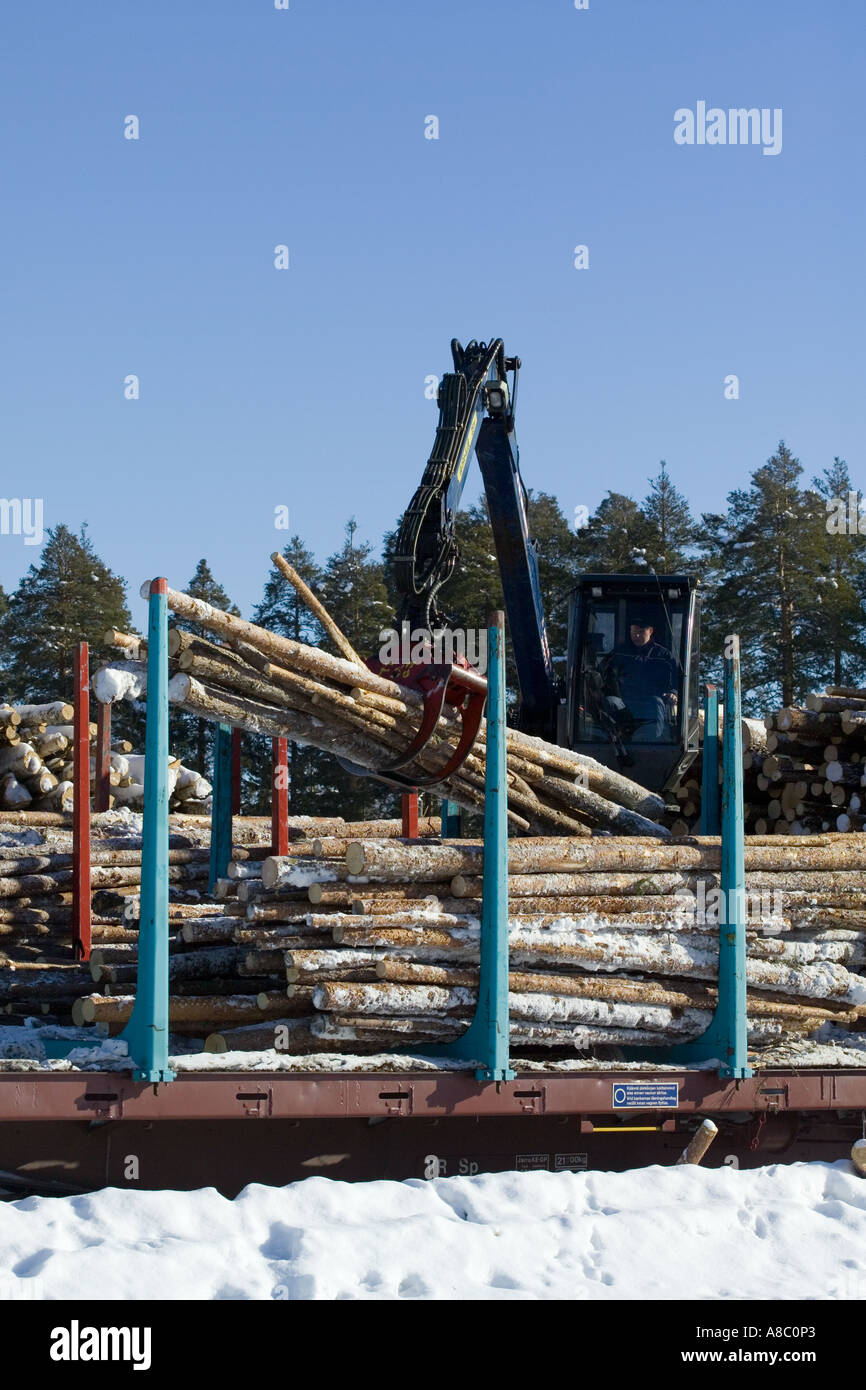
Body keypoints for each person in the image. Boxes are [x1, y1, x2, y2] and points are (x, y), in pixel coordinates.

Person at [601, 611, 679, 742]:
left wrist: (673, 692)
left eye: (641, 631)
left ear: (650, 631)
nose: (636, 635)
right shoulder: (619, 653)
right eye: (634, 631)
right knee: (610, 702)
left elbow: (675, 679)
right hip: (624, 700)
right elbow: (604, 673)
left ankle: (652, 745)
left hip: (651, 701)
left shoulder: (663, 655)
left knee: (656, 703)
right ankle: (611, 740)